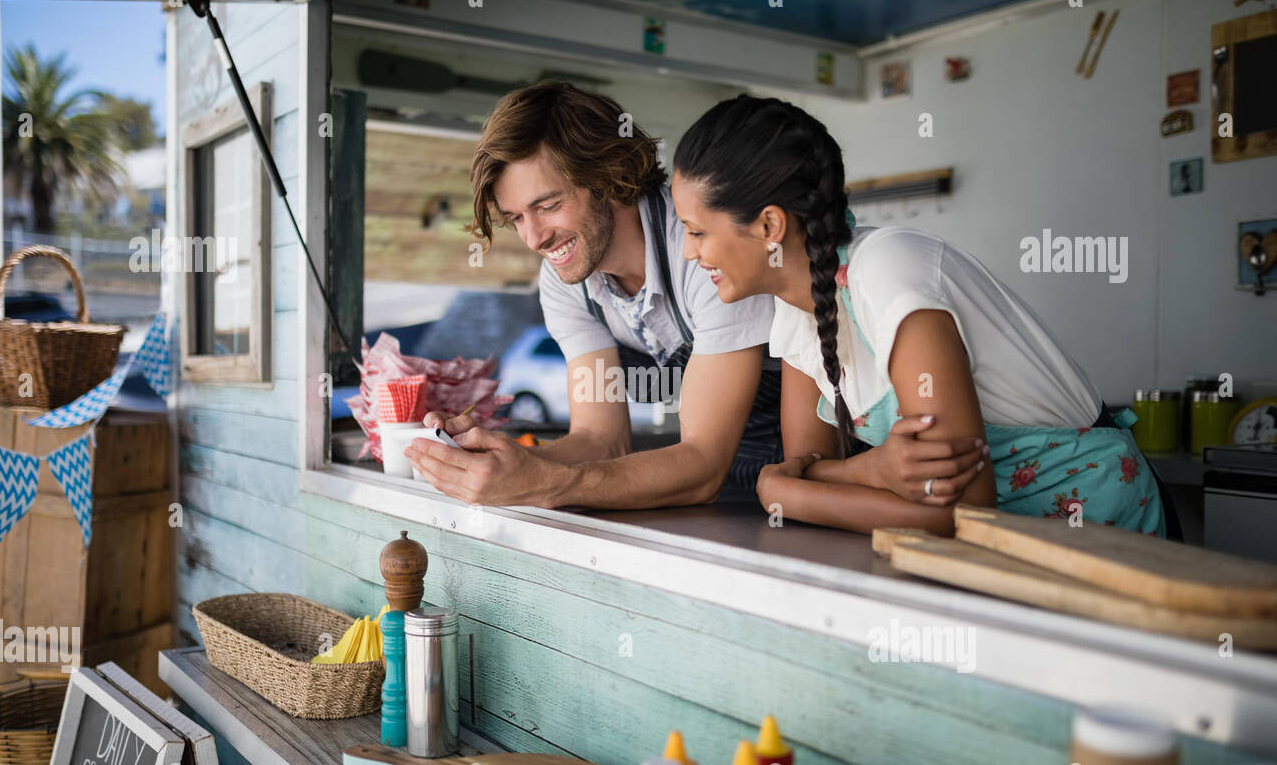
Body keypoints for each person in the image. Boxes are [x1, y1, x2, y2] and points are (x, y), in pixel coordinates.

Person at [669, 94, 1174, 537]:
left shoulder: (890, 271)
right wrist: (867, 472)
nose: (691, 254)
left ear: (769, 225)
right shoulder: (795, 310)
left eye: (696, 231)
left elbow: (961, 510)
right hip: (997, 552)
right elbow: (813, 465)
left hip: (1099, 529)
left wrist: (782, 493)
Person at [407, 81, 783, 509]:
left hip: (802, 485)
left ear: (608, 175)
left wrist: (544, 484)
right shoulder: (568, 282)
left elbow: (703, 464)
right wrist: (503, 460)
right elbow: (600, 439)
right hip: (717, 498)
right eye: (516, 218)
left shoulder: (704, 250)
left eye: (548, 206)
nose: (534, 238)